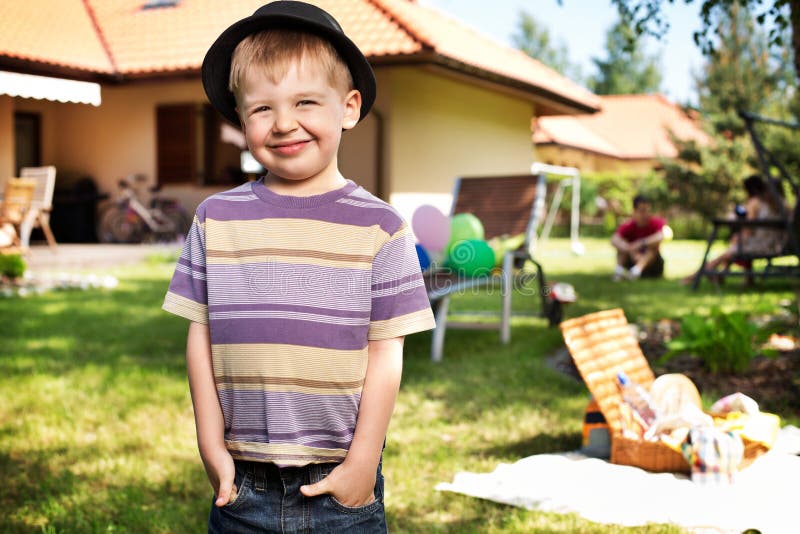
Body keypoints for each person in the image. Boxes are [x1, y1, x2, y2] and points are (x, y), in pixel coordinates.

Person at [162, 3, 436, 531]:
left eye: (305, 101)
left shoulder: (381, 227)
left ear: (348, 108)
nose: (284, 123)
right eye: (262, 108)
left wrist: (362, 465)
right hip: (242, 483)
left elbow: (386, 354)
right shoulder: (215, 219)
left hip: (341, 480)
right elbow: (201, 335)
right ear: (241, 119)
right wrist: (210, 445)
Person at [681, 174, 786, 285]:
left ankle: (699, 274)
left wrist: (740, 236)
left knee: (732, 248)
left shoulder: (756, 203)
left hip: (763, 246)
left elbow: (749, 230)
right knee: (734, 247)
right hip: (776, 243)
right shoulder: (784, 206)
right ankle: (720, 274)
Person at [611, 194, 666, 281]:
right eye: (642, 211)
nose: (646, 214)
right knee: (622, 245)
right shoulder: (629, 225)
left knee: (652, 247)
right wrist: (629, 249)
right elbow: (614, 239)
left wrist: (640, 243)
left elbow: (660, 236)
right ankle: (619, 271)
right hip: (632, 259)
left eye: (648, 210)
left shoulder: (655, 222)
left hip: (653, 264)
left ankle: (636, 271)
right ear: (634, 211)